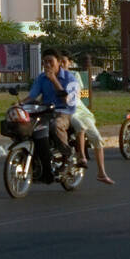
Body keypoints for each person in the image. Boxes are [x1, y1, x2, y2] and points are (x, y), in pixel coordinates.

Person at [26, 50, 79, 183]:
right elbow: (32, 95)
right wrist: (20, 103)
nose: (47, 65)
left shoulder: (70, 78)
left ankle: (67, 156)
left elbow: (69, 102)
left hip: (64, 112)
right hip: (45, 111)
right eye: (45, 62)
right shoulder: (41, 78)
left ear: (59, 62)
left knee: (55, 125)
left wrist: (54, 80)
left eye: (51, 61)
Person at [60, 54, 113, 185]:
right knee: (80, 126)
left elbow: (76, 93)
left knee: (97, 139)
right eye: (59, 61)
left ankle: (101, 173)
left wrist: (69, 97)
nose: (61, 64)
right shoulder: (53, 77)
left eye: (64, 61)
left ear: (70, 63)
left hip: (80, 109)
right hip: (68, 111)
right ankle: (82, 156)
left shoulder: (74, 76)